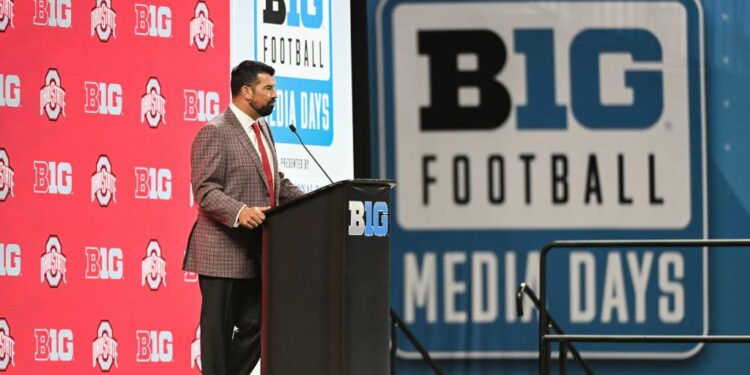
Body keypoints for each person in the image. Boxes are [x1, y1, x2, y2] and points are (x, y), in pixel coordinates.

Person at [183, 60, 304, 374]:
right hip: (220, 252)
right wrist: (240, 212)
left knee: (262, 323)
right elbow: (205, 190)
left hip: (255, 252)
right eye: (269, 88)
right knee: (217, 336)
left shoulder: (261, 128)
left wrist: (314, 200)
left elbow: (271, 178)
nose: (275, 94)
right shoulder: (215, 131)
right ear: (247, 92)